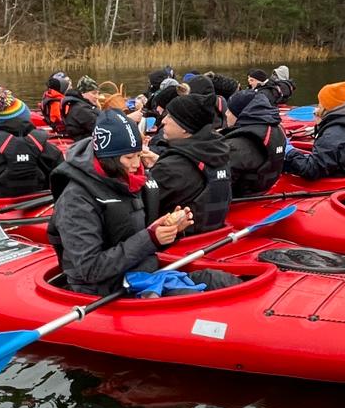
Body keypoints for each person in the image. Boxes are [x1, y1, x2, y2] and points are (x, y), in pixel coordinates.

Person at [46, 109, 238, 296]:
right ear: (108, 158)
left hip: (140, 274)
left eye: (139, 155)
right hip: (104, 290)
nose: (137, 164)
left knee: (222, 281)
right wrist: (151, 238)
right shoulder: (75, 200)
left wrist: (169, 231)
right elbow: (90, 269)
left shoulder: (131, 180)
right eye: (129, 157)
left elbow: (138, 239)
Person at [148, 93, 232, 234]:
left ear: (184, 127)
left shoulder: (169, 168)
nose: (163, 121)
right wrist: (159, 160)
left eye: (170, 117)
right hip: (214, 233)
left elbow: (142, 207)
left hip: (178, 242)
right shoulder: (219, 153)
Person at [282, 81, 345, 180]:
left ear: (328, 106)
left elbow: (312, 170)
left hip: (334, 178)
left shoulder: (333, 134)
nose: (317, 108)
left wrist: (290, 151)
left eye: (320, 103)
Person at [223, 87, 287, 195]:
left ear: (241, 114)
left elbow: (219, 184)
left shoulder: (237, 146)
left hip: (242, 197)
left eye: (230, 110)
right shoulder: (277, 130)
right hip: (263, 189)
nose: (226, 113)